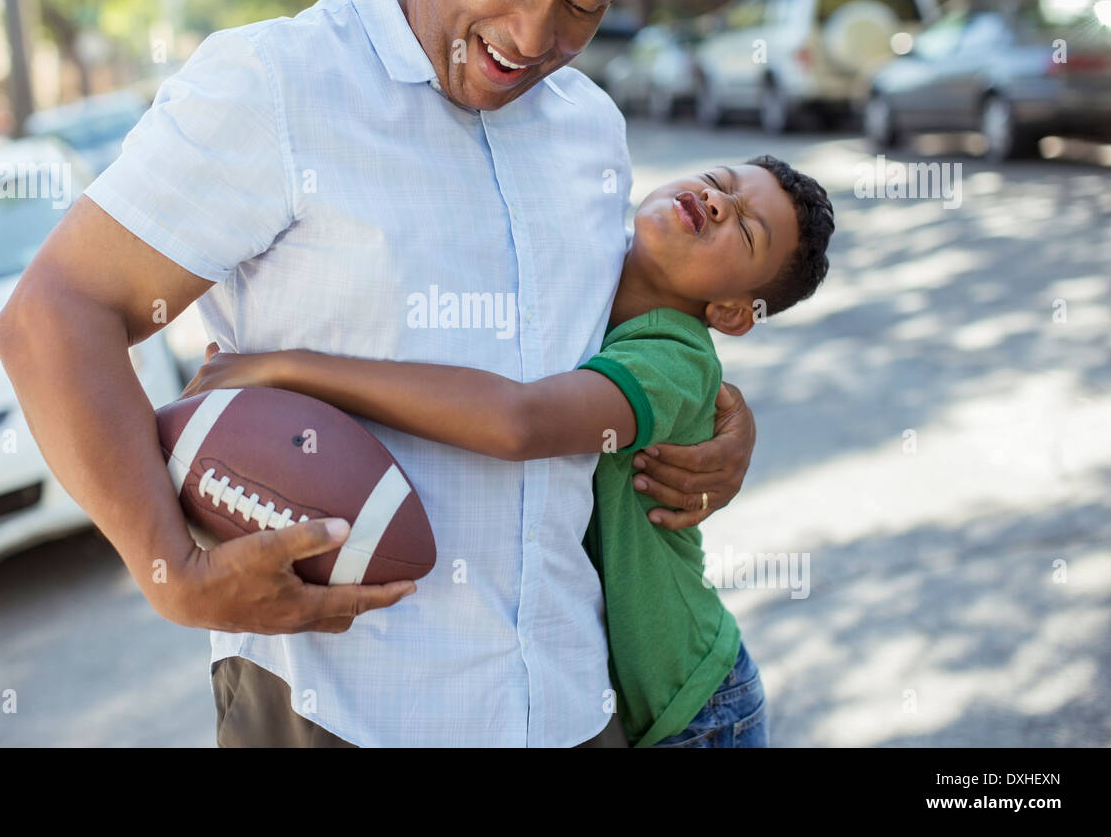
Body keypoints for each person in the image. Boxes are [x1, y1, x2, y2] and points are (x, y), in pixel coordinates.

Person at [0, 0, 758, 747]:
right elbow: (55, 314)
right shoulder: (276, 85)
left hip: (573, 697)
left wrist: (719, 424)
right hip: (345, 708)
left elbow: (613, 343)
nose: (535, 35)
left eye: (585, 4)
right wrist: (171, 571)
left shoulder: (591, 129)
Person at [183, 156, 835, 747]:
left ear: (729, 313)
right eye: (720, 182)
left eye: (747, 230)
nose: (719, 203)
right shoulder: (584, 261)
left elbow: (518, 424)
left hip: (692, 706)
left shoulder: (676, 358)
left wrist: (283, 368)